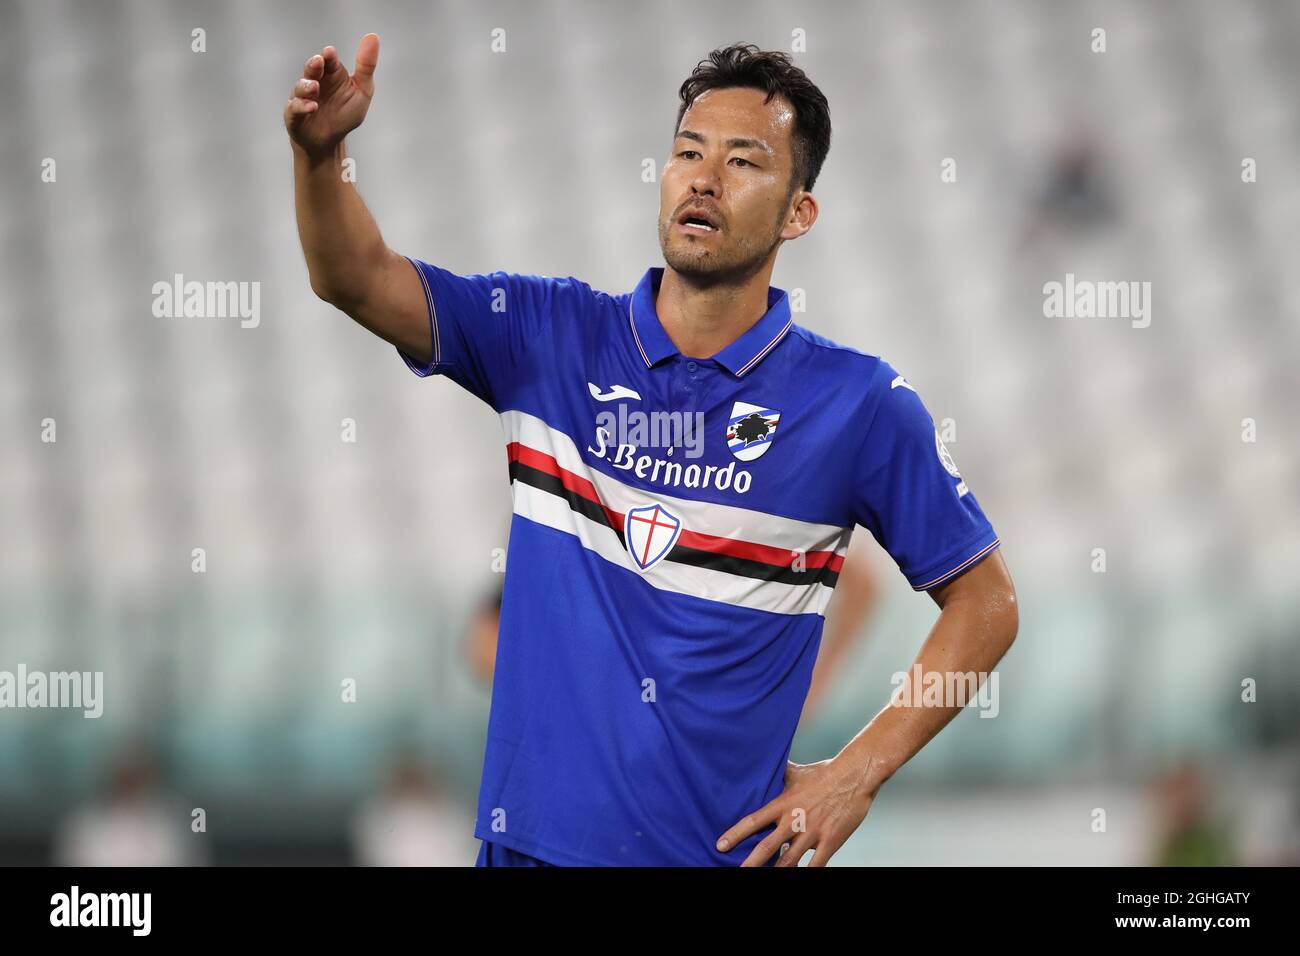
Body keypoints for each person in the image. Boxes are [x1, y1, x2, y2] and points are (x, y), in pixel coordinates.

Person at [285, 36, 1018, 867]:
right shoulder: (548, 335)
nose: (704, 177)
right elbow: (355, 278)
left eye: (744, 162)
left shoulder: (858, 404)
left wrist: (858, 772)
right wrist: (322, 158)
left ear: (797, 213)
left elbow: (987, 607)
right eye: (687, 153)